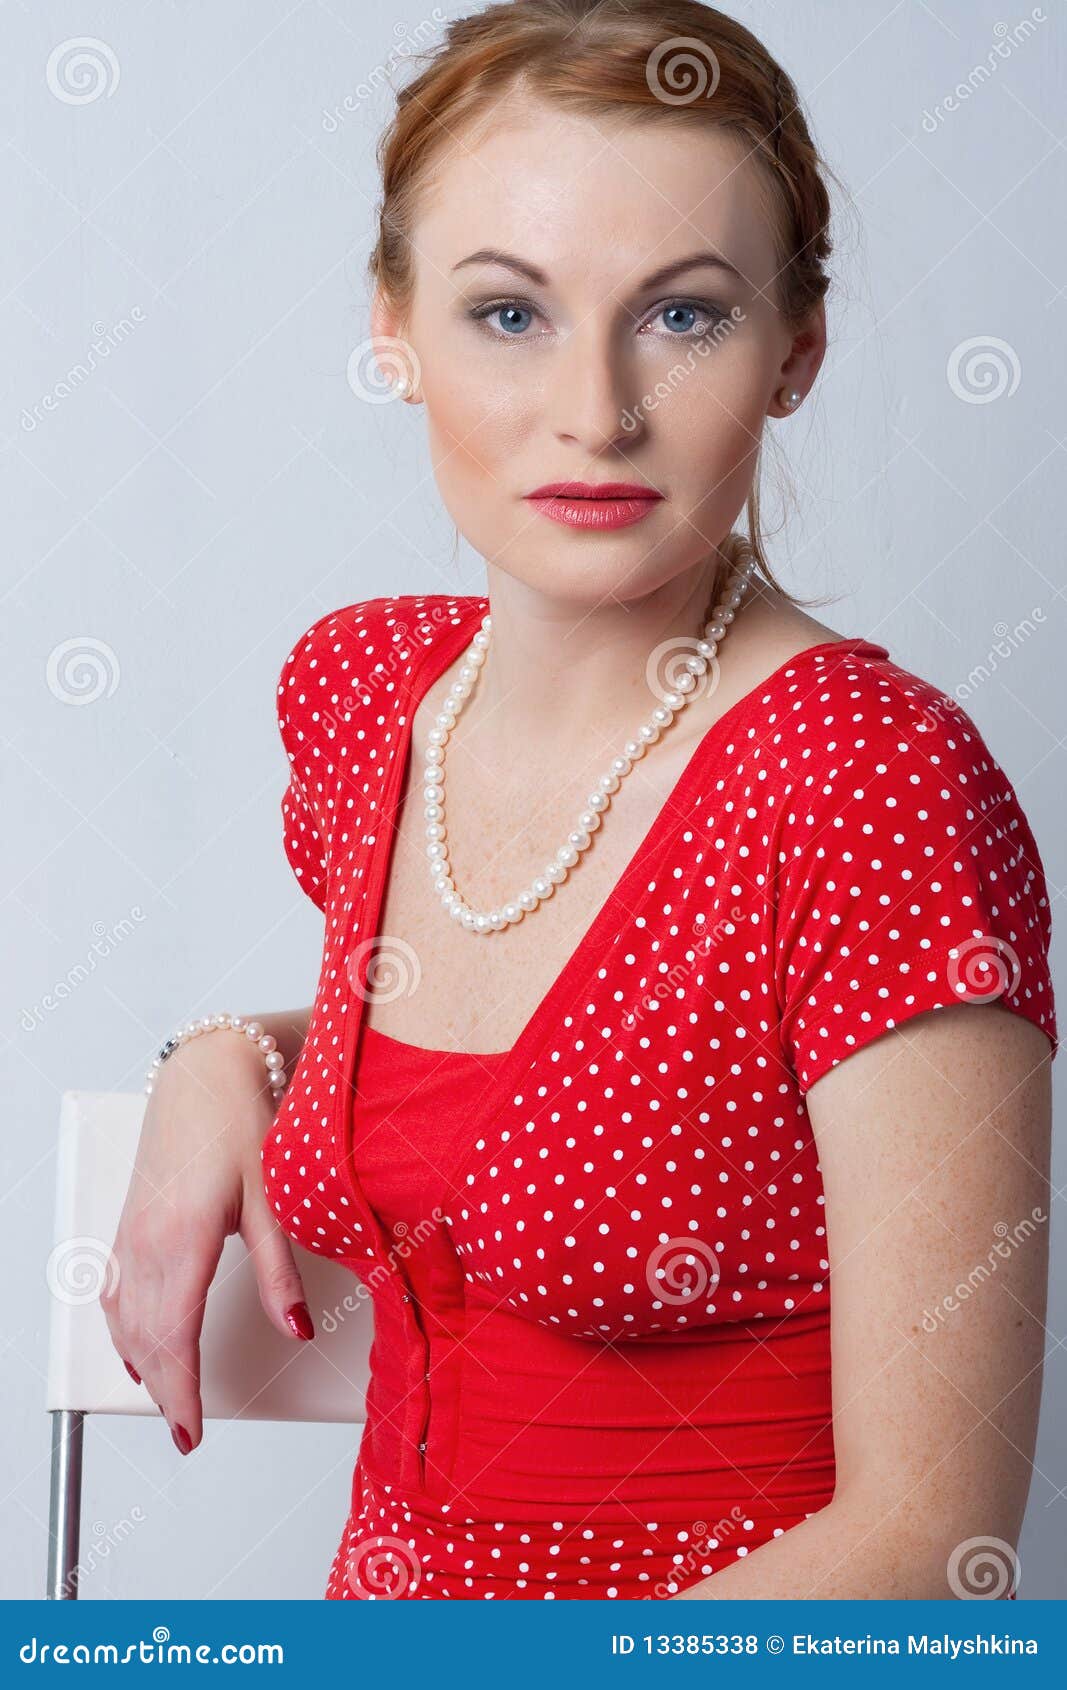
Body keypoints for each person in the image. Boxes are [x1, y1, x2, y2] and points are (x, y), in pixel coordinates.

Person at [104, 0, 1057, 1601]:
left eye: (683, 317)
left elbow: (923, 1547)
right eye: (507, 314)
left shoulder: (868, 781)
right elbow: (551, 1054)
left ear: (797, 349)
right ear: (392, 326)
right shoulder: (368, 701)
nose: (597, 411)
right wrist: (227, 1051)